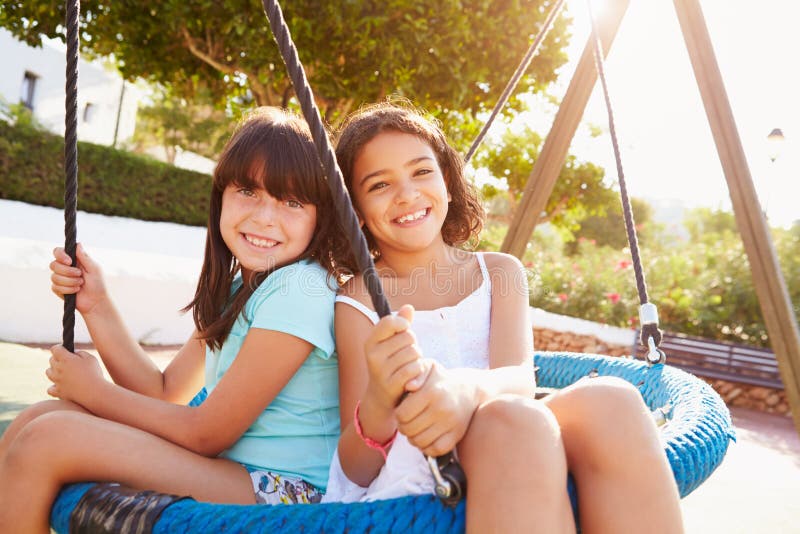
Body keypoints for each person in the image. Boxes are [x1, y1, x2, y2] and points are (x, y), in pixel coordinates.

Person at [321, 102, 683, 533]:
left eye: (421, 172)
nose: (407, 194)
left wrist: (463, 390)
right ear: (356, 210)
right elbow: (355, 467)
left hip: (512, 434)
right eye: (380, 184)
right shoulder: (360, 299)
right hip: (422, 469)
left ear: (449, 184)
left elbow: (519, 379)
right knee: (516, 421)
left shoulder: (498, 273)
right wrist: (381, 400)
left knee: (613, 400)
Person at [0, 107, 352, 533]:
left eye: (292, 201)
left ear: (321, 217)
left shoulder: (300, 288)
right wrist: (96, 306)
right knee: (36, 419)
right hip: (236, 471)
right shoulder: (241, 288)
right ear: (221, 194)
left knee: (48, 438)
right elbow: (164, 392)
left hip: (289, 492)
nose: (264, 216)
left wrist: (95, 393)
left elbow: (208, 434)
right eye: (248, 191)